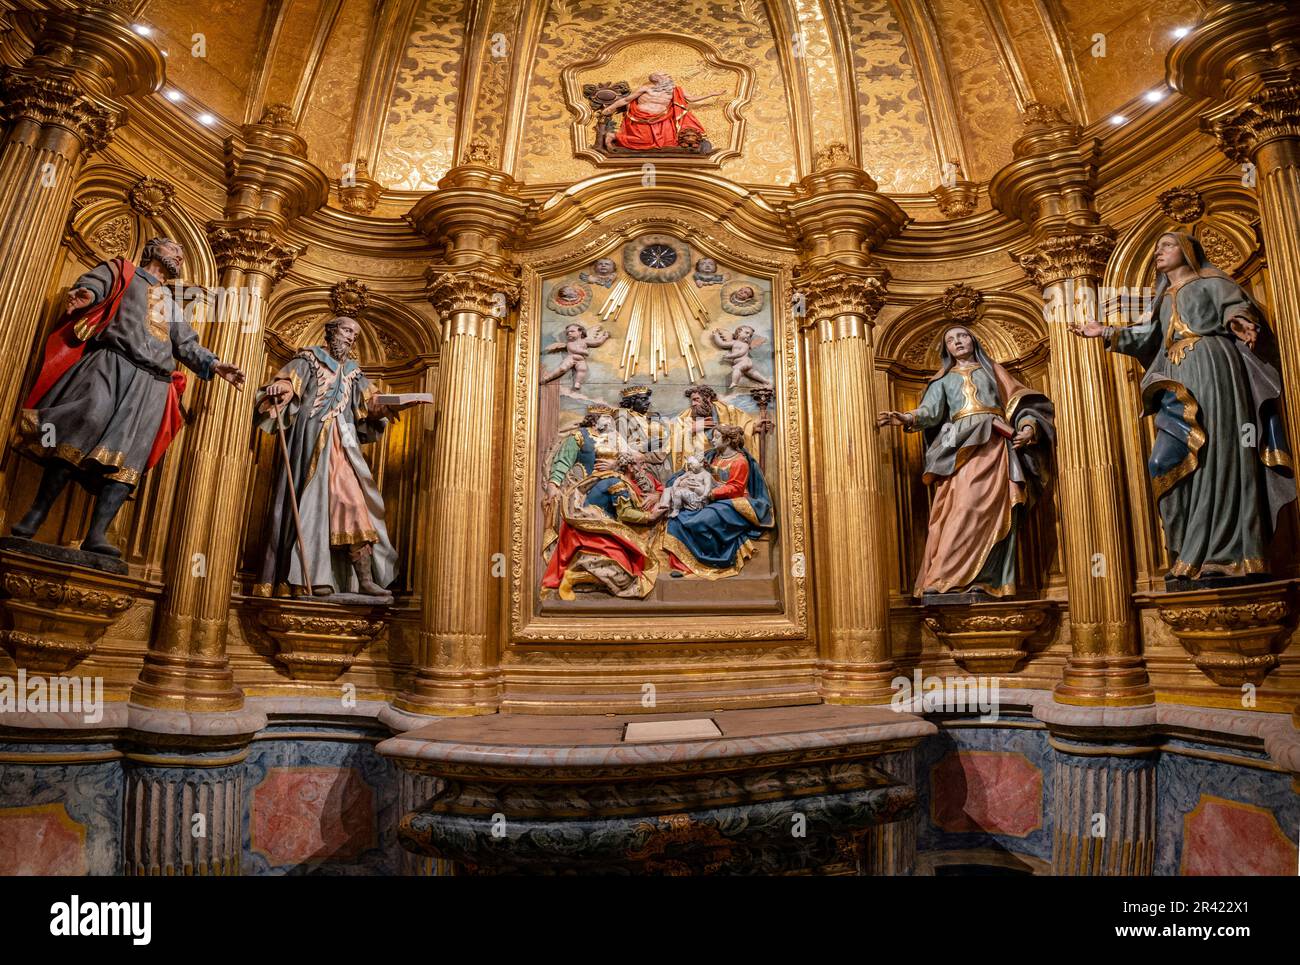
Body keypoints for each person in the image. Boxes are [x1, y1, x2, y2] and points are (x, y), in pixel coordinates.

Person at [1070, 231, 1294, 581]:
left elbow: (1235, 306)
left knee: (1223, 452)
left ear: (1187, 252)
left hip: (1213, 363)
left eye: (1167, 246)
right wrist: (1105, 332)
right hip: (1175, 379)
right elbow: (1146, 337)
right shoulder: (1161, 299)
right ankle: (1190, 549)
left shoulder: (1211, 281)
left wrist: (1239, 321)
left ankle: (1229, 553)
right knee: (1162, 461)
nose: (1160, 252)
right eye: (1157, 247)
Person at [12, 237, 245, 556]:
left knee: (131, 453)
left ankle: (97, 533)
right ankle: (36, 514)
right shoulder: (123, 271)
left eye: (180, 253)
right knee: (82, 424)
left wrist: (217, 365)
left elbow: (187, 345)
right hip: (111, 361)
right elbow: (95, 284)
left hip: (152, 384)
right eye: (171, 248)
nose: (178, 254)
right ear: (152, 250)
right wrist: (87, 294)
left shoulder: (171, 303)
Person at [877, 325, 1055, 598]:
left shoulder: (993, 371)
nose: (957, 342)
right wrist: (906, 418)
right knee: (962, 508)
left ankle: (987, 580)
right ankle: (945, 577)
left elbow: (1021, 405)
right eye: (950, 339)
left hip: (996, 446)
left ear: (973, 340)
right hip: (962, 446)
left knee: (995, 511)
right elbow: (930, 412)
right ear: (946, 349)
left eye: (962, 336)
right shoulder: (943, 380)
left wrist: (1029, 428)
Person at [254, 315, 417, 598]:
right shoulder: (308, 360)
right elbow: (290, 383)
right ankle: (310, 577)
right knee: (312, 507)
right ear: (331, 332)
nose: (351, 337)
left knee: (355, 504)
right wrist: (283, 388)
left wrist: (391, 405)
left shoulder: (354, 373)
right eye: (346, 330)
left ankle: (364, 579)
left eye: (355, 333)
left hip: (344, 446)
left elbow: (370, 404)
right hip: (312, 442)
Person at [662, 424, 774, 578]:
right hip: (710, 500)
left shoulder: (740, 461)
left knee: (700, 521)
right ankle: (685, 564)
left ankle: (713, 561)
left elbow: (735, 488)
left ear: (727, 440)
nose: (712, 440)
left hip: (733, 503)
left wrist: (709, 493)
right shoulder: (713, 457)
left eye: (716, 437)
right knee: (678, 519)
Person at [599, 72, 722, 151]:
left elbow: (691, 98)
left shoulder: (675, 90)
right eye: (666, 77)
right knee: (643, 140)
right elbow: (626, 100)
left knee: (669, 143)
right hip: (641, 119)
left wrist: (711, 94)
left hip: (663, 119)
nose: (669, 79)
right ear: (657, 80)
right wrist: (610, 108)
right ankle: (613, 136)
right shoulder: (646, 88)